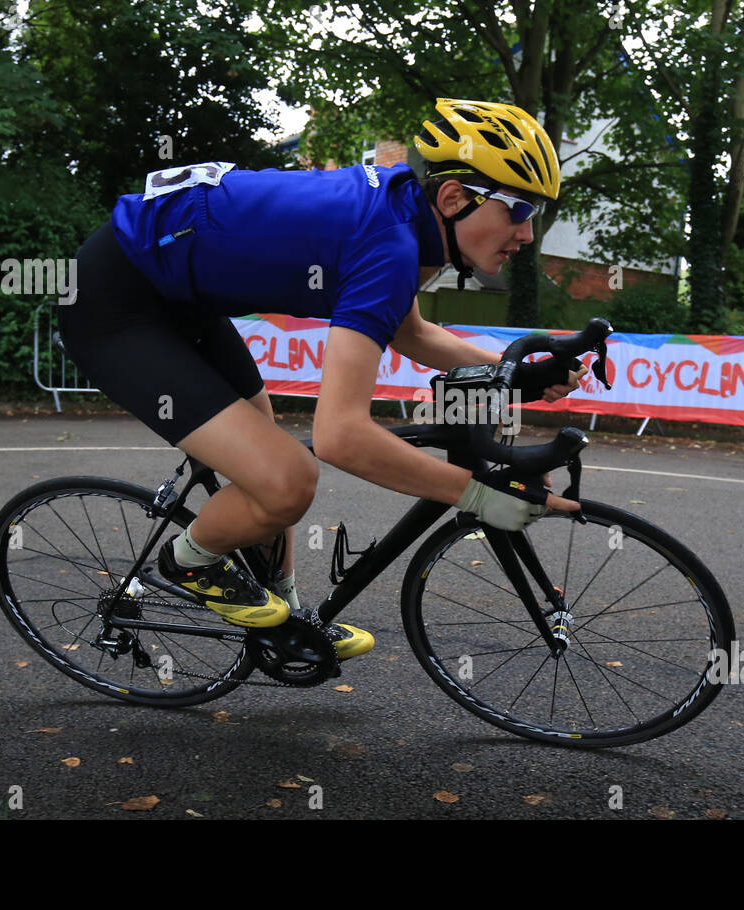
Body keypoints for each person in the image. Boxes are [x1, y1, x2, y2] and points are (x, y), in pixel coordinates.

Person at [56, 98, 586, 661]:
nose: (528, 235)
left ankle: (284, 614)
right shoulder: (391, 245)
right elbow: (340, 436)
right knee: (286, 478)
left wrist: (516, 374)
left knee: (270, 470)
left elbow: (411, 334)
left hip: (181, 298)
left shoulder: (411, 214)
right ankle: (186, 563)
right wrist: (475, 495)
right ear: (455, 198)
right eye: (522, 210)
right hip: (113, 305)